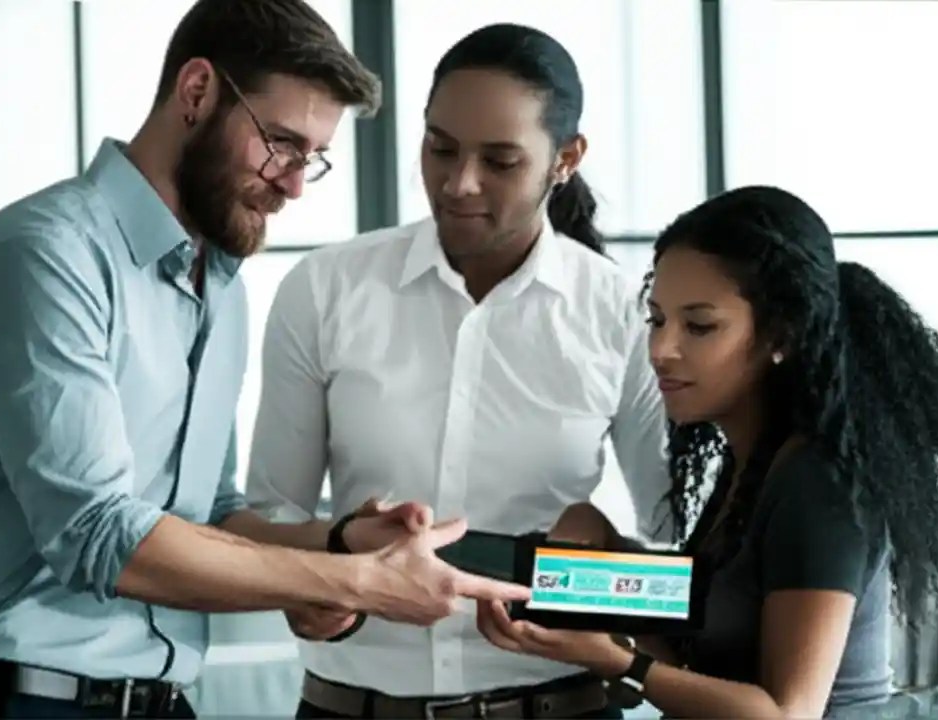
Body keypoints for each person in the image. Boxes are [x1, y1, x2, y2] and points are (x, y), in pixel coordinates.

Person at [0, 2, 527, 718]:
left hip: (157, 700)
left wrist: (343, 543)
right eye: (281, 143)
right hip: (7, 700)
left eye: (311, 158)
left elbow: (208, 515)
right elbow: (98, 535)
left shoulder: (217, 284)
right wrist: (354, 583)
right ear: (196, 91)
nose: (294, 184)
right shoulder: (48, 255)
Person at [245, 22, 670, 720]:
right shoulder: (325, 288)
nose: (459, 183)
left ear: (566, 159)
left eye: (500, 161)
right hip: (352, 707)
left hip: (560, 706)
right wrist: (316, 587)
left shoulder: (623, 315)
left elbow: (675, 548)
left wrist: (589, 570)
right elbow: (271, 514)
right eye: (440, 148)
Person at [477, 185, 938, 718]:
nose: (661, 350)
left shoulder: (817, 485)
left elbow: (787, 714)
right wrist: (605, 553)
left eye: (699, 326)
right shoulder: (750, 468)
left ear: (783, 334)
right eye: (657, 320)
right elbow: (699, 660)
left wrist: (614, 660)